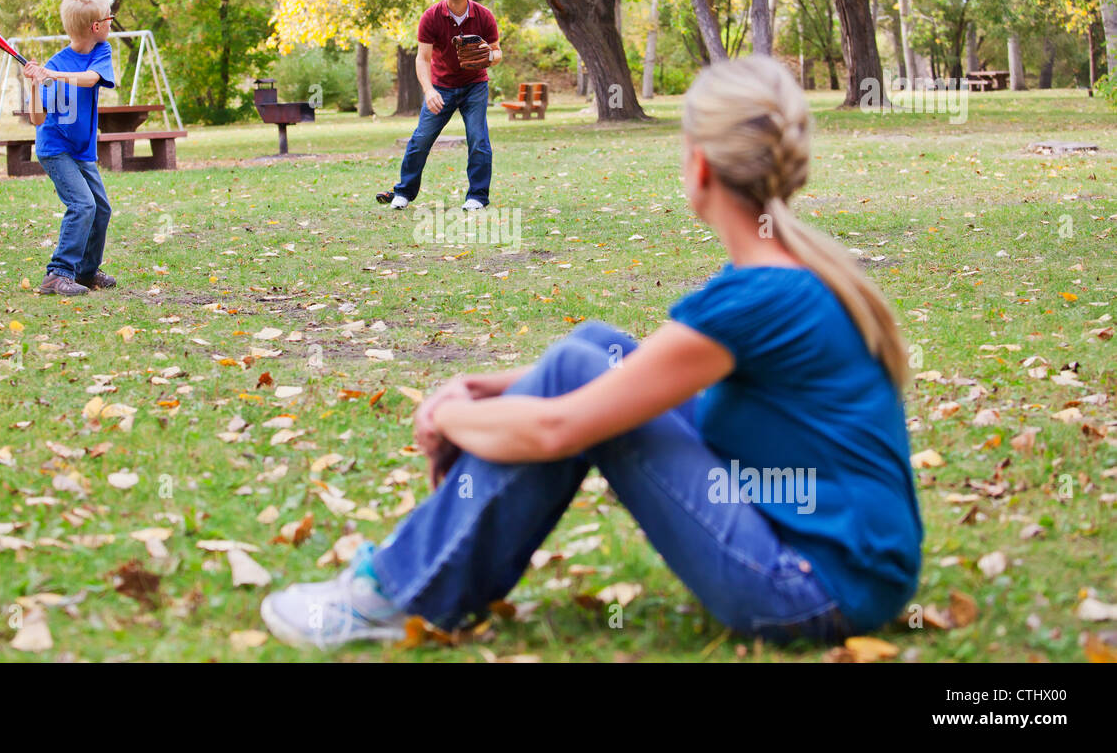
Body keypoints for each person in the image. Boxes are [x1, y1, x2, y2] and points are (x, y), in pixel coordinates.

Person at [262, 55, 924, 650]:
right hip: (846, 574)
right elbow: (640, 374)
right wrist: (481, 387)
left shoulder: (758, 298)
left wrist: (447, 416)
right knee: (595, 347)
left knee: (583, 367)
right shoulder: (790, 275)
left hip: (807, 591)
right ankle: (403, 580)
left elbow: (560, 427)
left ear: (698, 162)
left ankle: (394, 592)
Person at [376, 0, 502, 212]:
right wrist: (429, 90)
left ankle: (477, 197)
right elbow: (422, 59)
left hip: (474, 86)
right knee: (420, 140)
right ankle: (403, 193)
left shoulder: (484, 16)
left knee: (478, 140)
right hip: (442, 87)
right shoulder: (431, 17)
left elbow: (497, 53)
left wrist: (489, 57)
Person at [23, 0, 119, 297]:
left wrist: (51, 74)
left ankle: (87, 272)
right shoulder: (56, 62)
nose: (111, 23)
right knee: (82, 204)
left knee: (101, 208)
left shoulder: (100, 51)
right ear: (96, 26)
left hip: (80, 150)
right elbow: (37, 120)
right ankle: (58, 273)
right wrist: (36, 86)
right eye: (109, 19)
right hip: (55, 148)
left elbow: (91, 78)